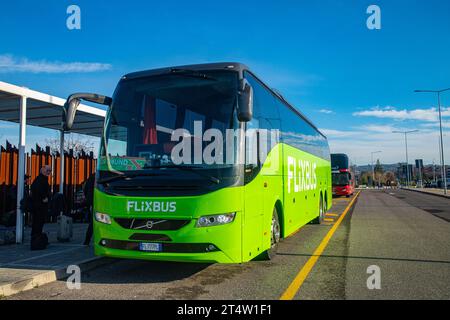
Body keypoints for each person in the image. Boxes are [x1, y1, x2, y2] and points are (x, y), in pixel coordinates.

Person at [30, 165, 51, 238]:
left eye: (50, 171)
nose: (49, 172)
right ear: (42, 170)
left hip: (39, 205)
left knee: (38, 221)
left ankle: (36, 237)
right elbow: (37, 189)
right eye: (47, 170)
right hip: (39, 205)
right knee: (38, 221)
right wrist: (44, 197)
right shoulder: (40, 179)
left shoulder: (41, 179)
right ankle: (36, 237)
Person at [83, 173, 95, 245]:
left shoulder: (91, 177)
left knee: (92, 222)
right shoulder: (104, 175)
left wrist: (88, 199)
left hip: (91, 201)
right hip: (99, 201)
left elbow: (85, 189)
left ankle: (87, 240)